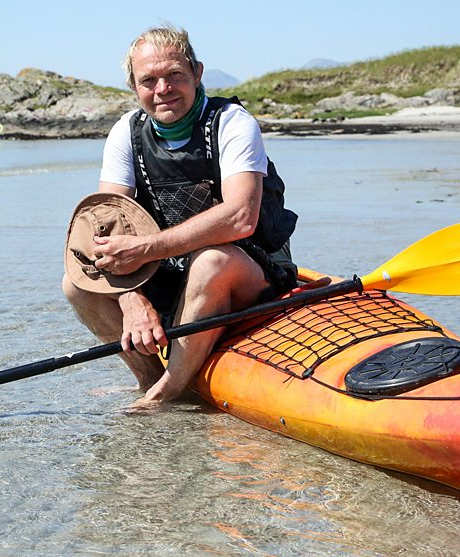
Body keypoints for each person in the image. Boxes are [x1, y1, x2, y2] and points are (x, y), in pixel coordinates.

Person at [62, 25, 297, 408]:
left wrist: (146, 250)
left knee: (211, 261)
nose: (163, 89)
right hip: (171, 273)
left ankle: (171, 391)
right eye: (148, 80)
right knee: (77, 285)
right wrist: (130, 297)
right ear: (134, 87)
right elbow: (99, 226)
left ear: (197, 72)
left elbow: (240, 218)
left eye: (174, 76)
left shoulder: (232, 123)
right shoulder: (126, 132)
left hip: (253, 270)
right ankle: (150, 380)